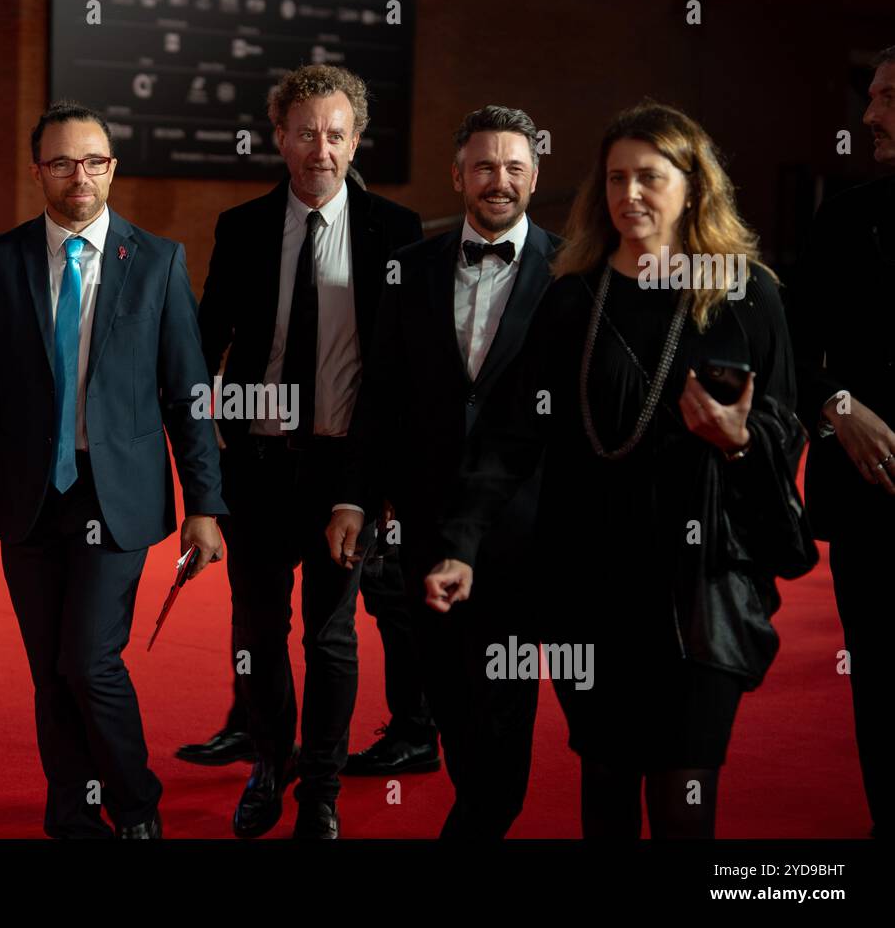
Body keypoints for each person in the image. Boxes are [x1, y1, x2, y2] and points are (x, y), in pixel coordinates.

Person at [426, 102, 814, 838]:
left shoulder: (746, 293)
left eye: (649, 177)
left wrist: (736, 440)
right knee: (604, 782)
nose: (629, 195)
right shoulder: (573, 296)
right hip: (591, 586)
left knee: (682, 792)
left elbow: (784, 429)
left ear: (693, 186)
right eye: (614, 179)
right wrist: (461, 543)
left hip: (699, 591)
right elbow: (512, 435)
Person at [0, 101, 226, 840]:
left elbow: (187, 394)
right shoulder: (0, 260)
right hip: (29, 495)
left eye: (93, 160)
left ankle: (135, 804)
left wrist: (205, 504)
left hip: (117, 494)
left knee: (89, 660)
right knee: (50, 671)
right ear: (38, 172)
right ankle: (70, 808)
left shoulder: (156, 261)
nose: (79, 175)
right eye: (62, 161)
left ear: (112, 168)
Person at [198, 64, 422, 838]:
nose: (319, 149)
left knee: (330, 635)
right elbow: (205, 345)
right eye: (304, 132)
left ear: (356, 139)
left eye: (335, 133)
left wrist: (385, 481)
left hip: (343, 473)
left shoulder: (396, 231)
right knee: (257, 632)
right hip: (255, 466)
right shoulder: (242, 228)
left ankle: (320, 789)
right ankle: (269, 763)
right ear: (279, 138)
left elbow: (407, 372)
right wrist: (208, 455)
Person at [328, 105, 559, 832]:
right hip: (423, 522)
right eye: (485, 166)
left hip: (527, 527)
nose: (499, 181)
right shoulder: (411, 269)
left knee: (506, 688)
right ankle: (476, 801)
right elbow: (380, 395)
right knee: (449, 687)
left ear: (534, 176)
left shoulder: (572, 270)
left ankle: (481, 821)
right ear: (457, 174)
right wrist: (356, 499)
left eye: (514, 167)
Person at [789, 43, 895, 839]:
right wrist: (839, 405)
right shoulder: (843, 217)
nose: (869, 115)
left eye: (888, 97)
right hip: (869, 507)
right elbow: (792, 348)